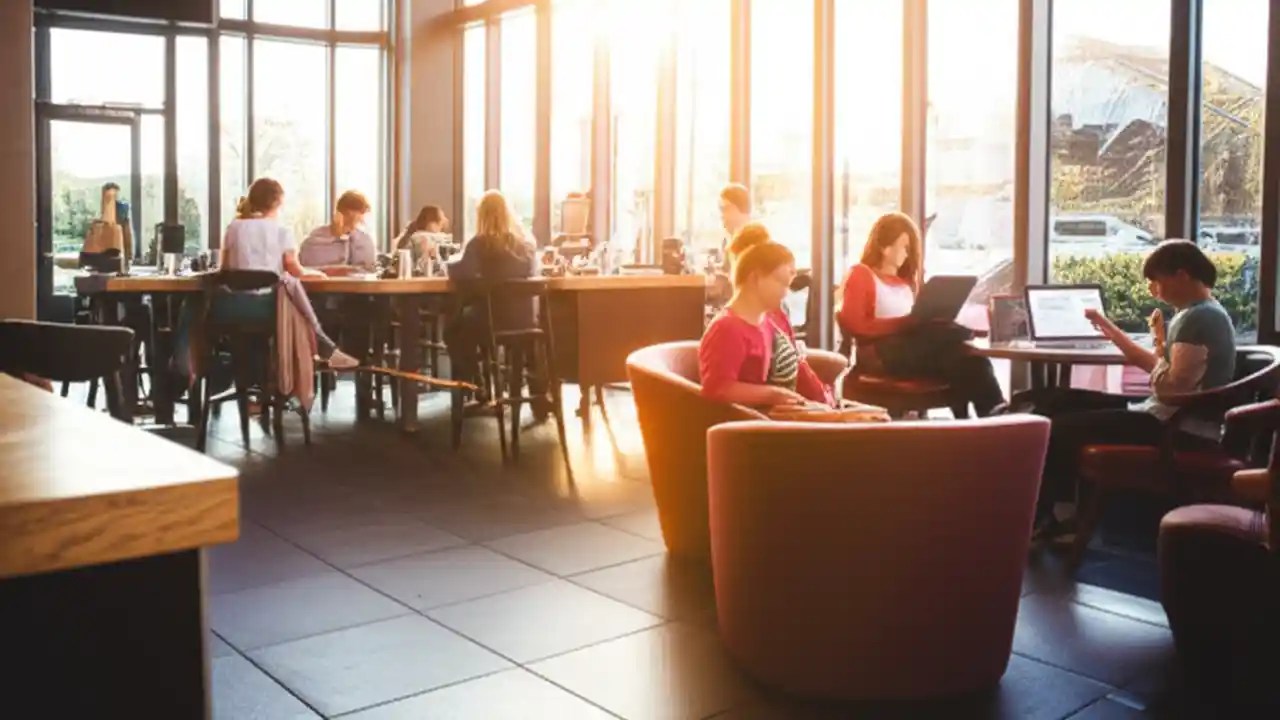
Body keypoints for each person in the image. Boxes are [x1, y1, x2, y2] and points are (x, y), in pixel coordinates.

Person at [1014, 240, 1237, 535]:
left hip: (1174, 425)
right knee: (1055, 401)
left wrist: (1158, 361)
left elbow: (1171, 390)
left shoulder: (1197, 319)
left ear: (1182, 275)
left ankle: (1042, 516)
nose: (1153, 291)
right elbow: (1169, 377)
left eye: (1157, 281)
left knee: (1057, 426)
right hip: (1166, 415)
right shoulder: (1205, 312)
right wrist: (1111, 330)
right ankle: (1049, 513)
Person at [837, 211, 1003, 417]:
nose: (908, 254)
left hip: (912, 350)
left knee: (973, 361)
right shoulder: (862, 274)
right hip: (881, 354)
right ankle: (962, 336)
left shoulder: (906, 282)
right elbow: (856, 325)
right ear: (883, 246)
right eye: (904, 247)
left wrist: (919, 322)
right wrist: (907, 323)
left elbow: (914, 323)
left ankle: (997, 417)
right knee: (954, 345)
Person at [220, 178, 359, 369]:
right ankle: (319, 351)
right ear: (278, 202)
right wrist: (319, 275)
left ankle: (322, 349)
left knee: (288, 288)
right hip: (267, 308)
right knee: (291, 289)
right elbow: (294, 269)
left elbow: (224, 268)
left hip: (231, 308)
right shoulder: (281, 231)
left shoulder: (233, 228)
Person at [700, 240, 835, 409]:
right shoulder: (726, 328)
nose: (786, 293)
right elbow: (717, 389)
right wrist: (774, 395)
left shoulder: (771, 321)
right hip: (758, 426)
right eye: (781, 283)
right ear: (755, 278)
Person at [444, 190, 538, 391]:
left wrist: (449, 263)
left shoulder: (479, 244)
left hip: (491, 320)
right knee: (468, 321)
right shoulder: (524, 246)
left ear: (481, 216)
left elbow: (462, 272)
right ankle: (492, 383)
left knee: (452, 330)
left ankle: (474, 383)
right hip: (525, 321)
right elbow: (532, 272)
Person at [298, 190, 376, 274]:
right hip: (319, 285)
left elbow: (369, 271)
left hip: (355, 286)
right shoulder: (315, 239)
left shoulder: (364, 241)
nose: (361, 220)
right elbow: (304, 270)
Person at [394, 204, 450, 270]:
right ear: (431, 223)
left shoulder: (411, 237)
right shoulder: (421, 238)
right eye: (440, 223)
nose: (441, 227)